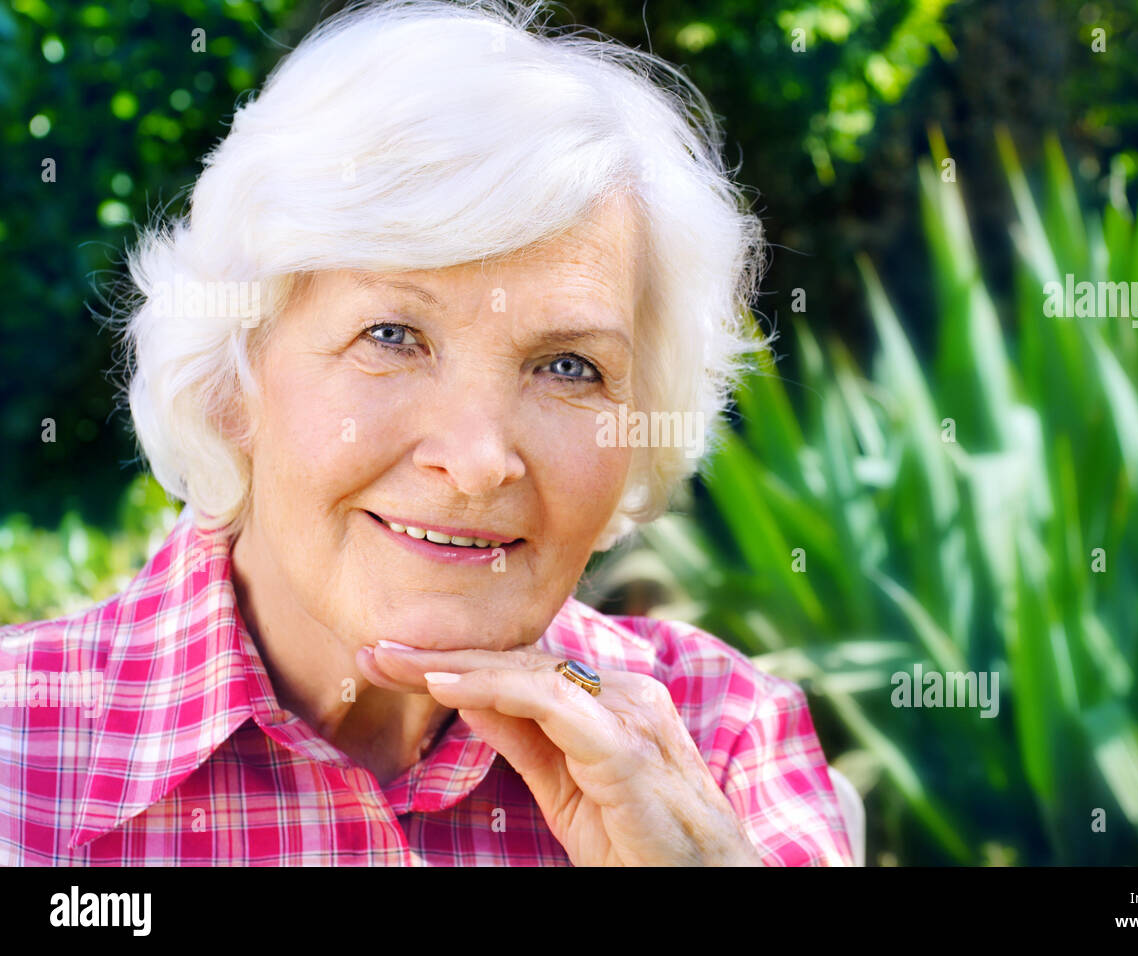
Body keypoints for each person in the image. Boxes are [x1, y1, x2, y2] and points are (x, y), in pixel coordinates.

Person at [0, 0, 855, 866]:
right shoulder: (20, 758)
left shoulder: (725, 740)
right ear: (232, 382)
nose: (479, 461)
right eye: (392, 337)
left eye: (567, 366)